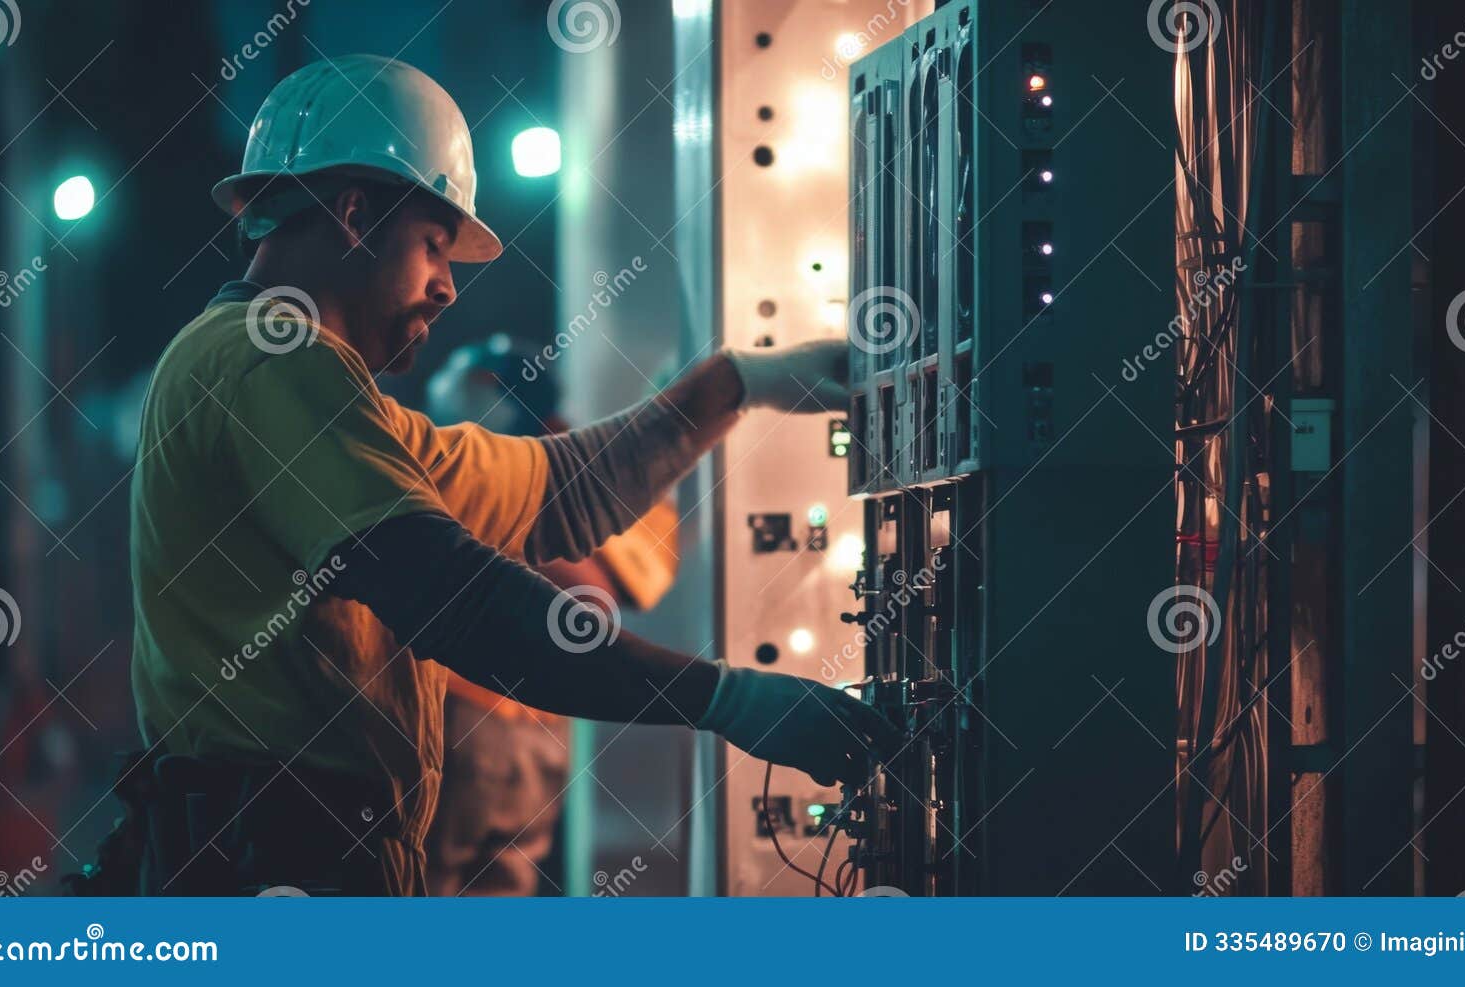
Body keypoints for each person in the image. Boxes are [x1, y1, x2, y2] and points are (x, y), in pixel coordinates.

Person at [120, 54, 896, 896]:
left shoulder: (330, 402)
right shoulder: (265, 358)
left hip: (297, 864)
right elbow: (457, 598)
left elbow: (561, 490)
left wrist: (742, 382)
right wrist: (725, 700)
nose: (446, 288)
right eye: (433, 245)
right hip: (275, 870)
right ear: (353, 215)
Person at [422, 337, 680, 896]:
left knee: (465, 884)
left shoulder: (476, 481)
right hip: (468, 716)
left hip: (512, 723)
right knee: (459, 883)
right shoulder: (478, 487)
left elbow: (601, 597)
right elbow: (596, 601)